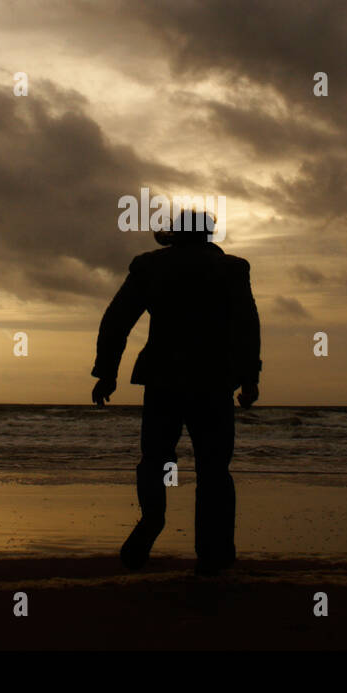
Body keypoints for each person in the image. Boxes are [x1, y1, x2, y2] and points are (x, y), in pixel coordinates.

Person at [90, 208, 261, 576]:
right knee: (214, 469)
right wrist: (249, 378)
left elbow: (116, 320)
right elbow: (247, 326)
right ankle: (214, 554)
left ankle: (153, 519)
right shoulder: (231, 269)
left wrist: (107, 373)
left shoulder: (150, 267)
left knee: (155, 460)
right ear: (209, 236)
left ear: (174, 234)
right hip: (213, 381)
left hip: (163, 379)